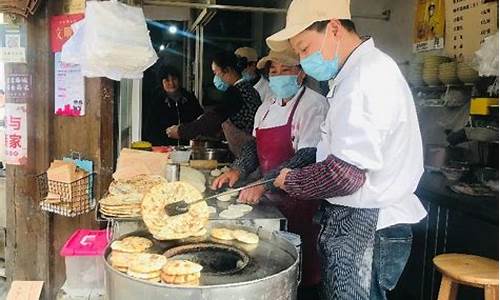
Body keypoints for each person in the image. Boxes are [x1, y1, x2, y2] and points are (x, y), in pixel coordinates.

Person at [267, 0, 427, 299]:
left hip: (370, 226)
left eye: (304, 48)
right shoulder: (352, 76)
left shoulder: (366, 78)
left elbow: (345, 175)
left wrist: (290, 181)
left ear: (334, 28)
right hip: (359, 220)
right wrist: (295, 166)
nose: (302, 60)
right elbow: (334, 152)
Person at [212, 49, 328, 298]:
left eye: (285, 70)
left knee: (302, 274)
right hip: (271, 204)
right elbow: (254, 146)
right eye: (273, 71)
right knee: (271, 271)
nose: (278, 76)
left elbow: (307, 156)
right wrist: (238, 169)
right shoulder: (266, 107)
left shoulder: (314, 105)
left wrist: (263, 183)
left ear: (301, 72)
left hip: (303, 204)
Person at [167, 51, 261, 157]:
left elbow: (213, 119)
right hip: (252, 150)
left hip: (247, 153)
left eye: (216, 73)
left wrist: (181, 131)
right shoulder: (250, 89)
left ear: (227, 71)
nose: (215, 78)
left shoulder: (236, 92)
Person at [142, 65, 203, 146]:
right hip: (164, 150)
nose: (171, 83)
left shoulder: (189, 98)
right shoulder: (156, 101)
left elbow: (200, 121)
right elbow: (149, 130)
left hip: (188, 148)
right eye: (167, 80)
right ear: (161, 83)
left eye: (174, 79)